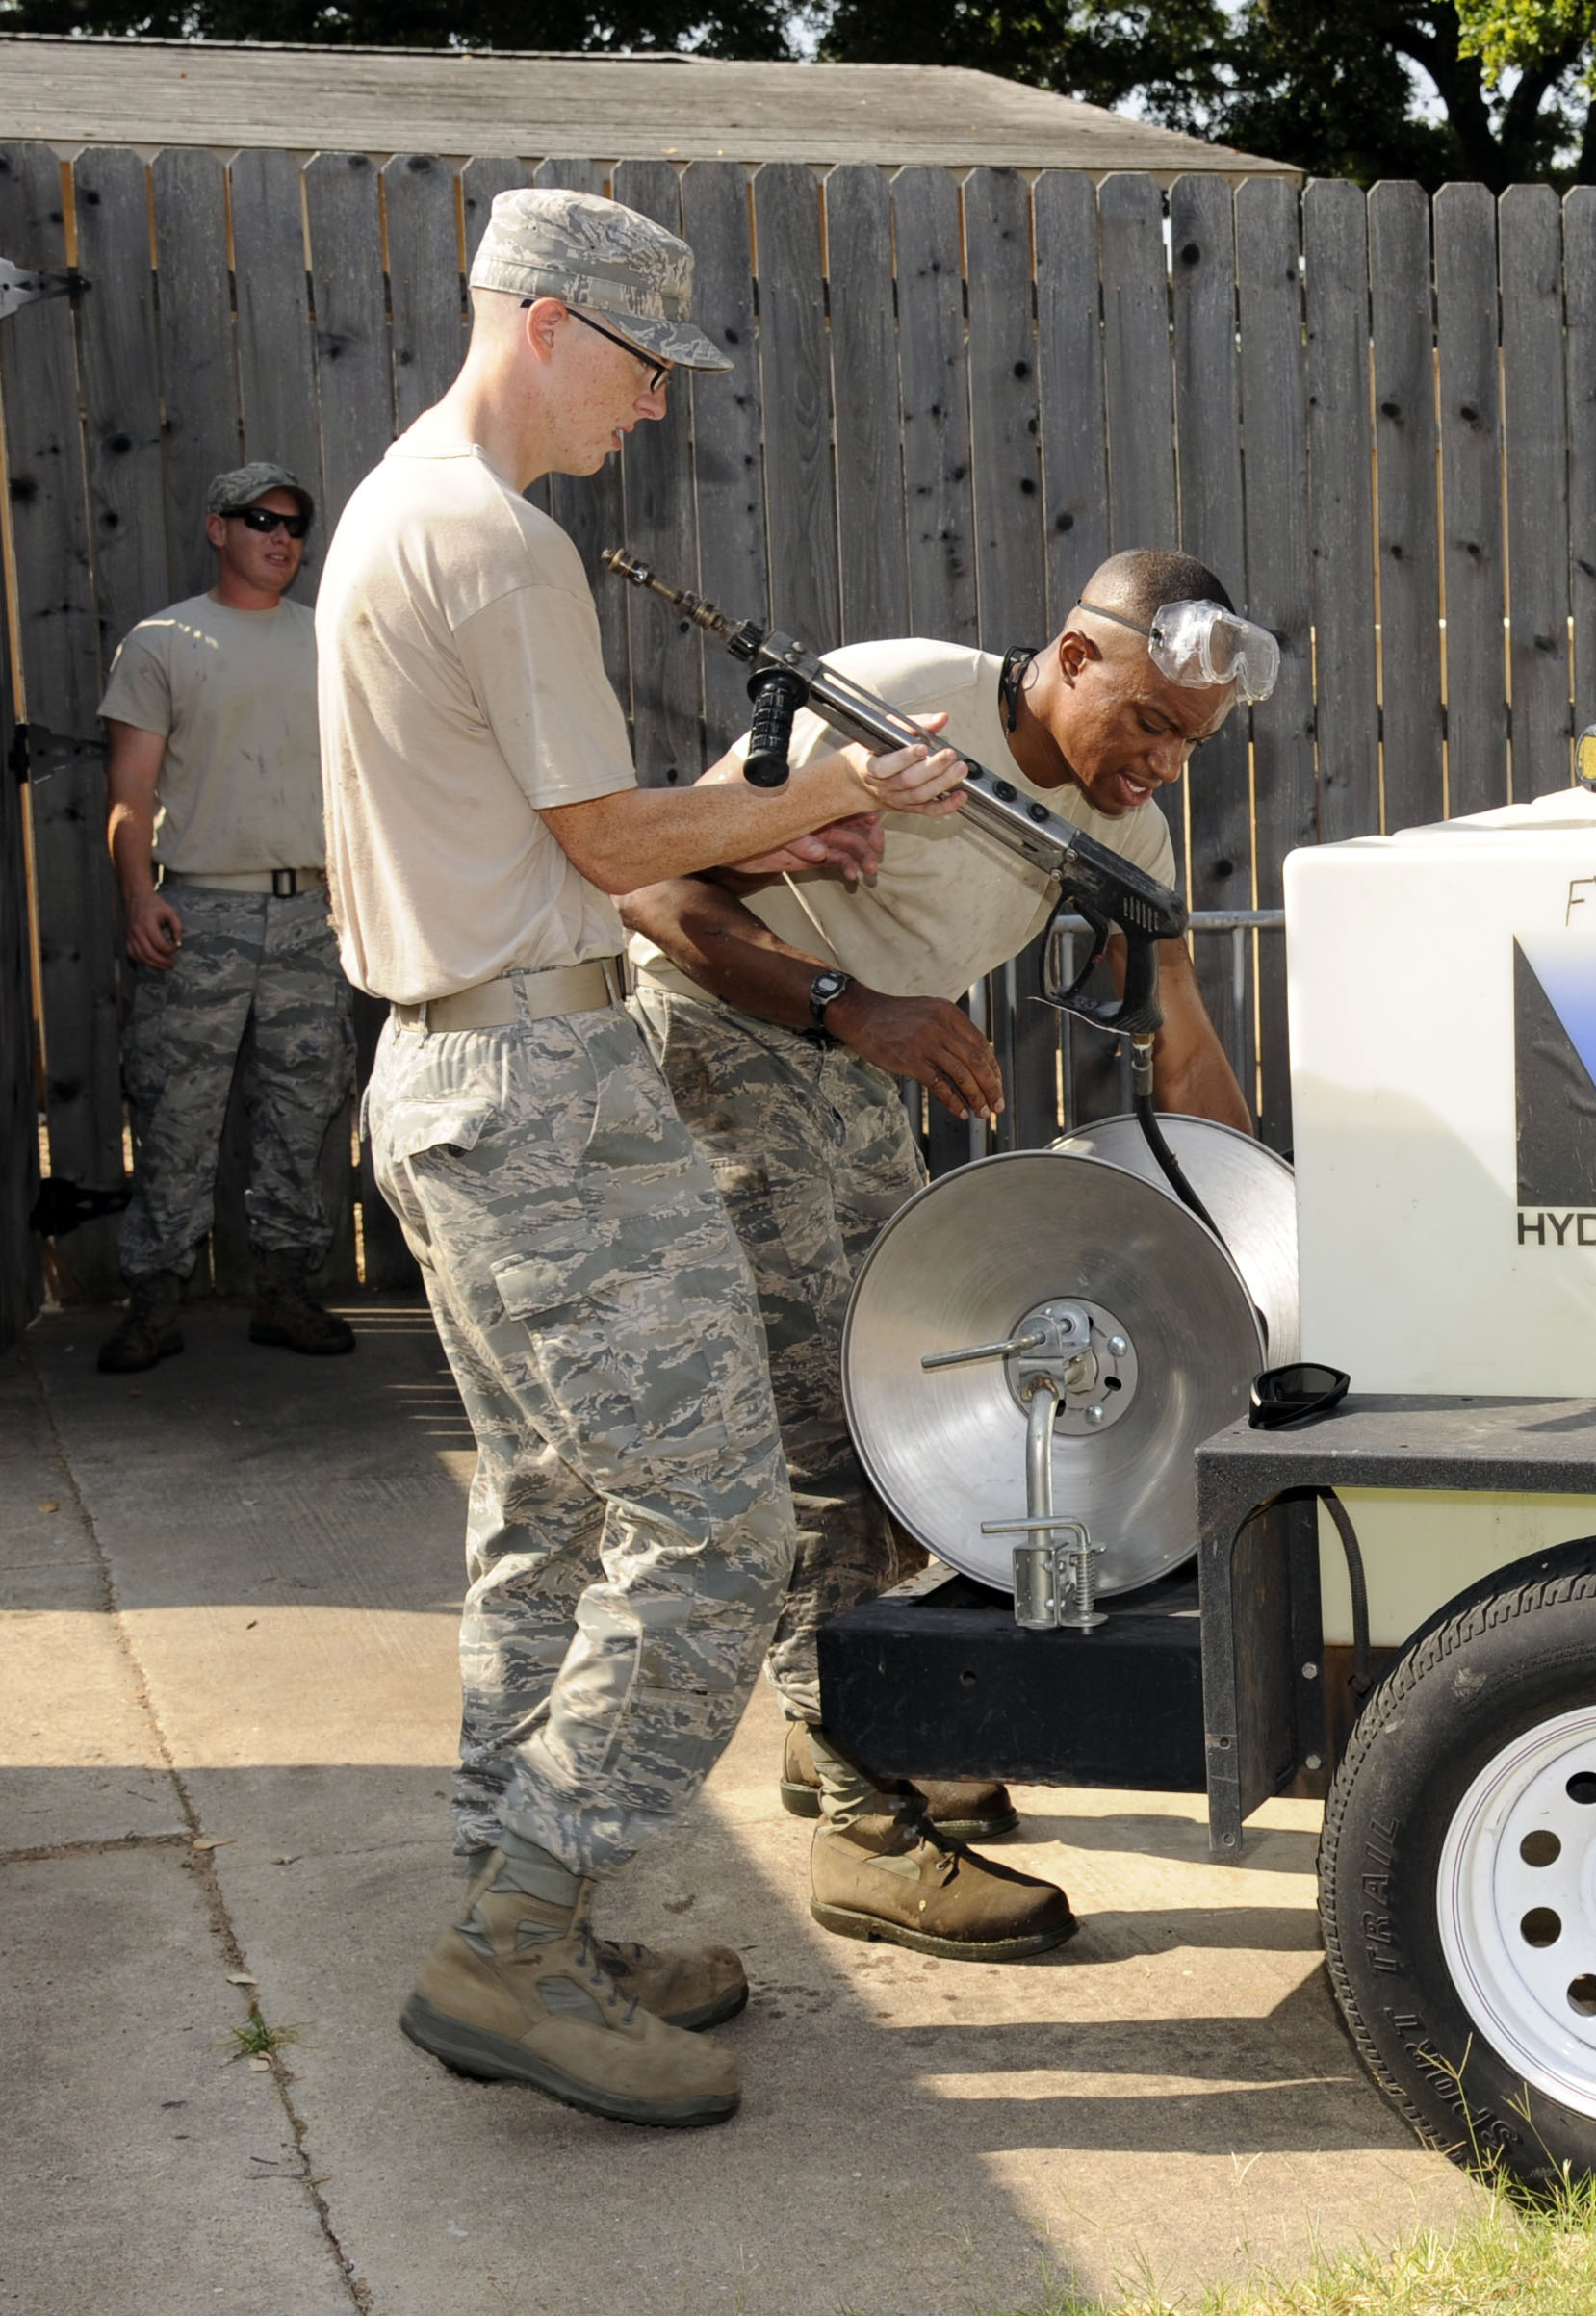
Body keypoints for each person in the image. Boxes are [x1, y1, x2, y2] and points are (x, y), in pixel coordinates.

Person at [317, 186, 965, 2130]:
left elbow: (546, 836)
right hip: (541, 1097)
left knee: (549, 1514)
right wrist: (845, 784)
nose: (659, 407)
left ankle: (528, 1920)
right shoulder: (495, 543)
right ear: (537, 320)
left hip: (449, 1076)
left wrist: (760, 831)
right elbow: (603, 851)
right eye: (644, 362)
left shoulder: (394, 510)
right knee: (715, 1526)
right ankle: (519, 1935)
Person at [617, 549, 1261, 1963]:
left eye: (1191, 742)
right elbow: (651, 889)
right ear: (1072, 660)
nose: (1160, 760)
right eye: (1146, 720)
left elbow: (1181, 1036)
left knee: (890, 1392)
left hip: (851, 1072)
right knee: (828, 1427)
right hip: (717, 1044)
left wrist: (1256, 1235)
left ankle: (829, 1719)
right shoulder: (901, 700)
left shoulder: (1125, 833)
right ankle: (865, 1828)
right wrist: (851, 1002)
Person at [94, 462, 356, 1374]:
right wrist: (140, 894)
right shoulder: (164, 641)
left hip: (309, 915)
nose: (279, 538)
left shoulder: (330, 642)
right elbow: (128, 788)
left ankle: (286, 1292)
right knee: (176, 1114)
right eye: (259, 520)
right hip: (196, 911)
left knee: (306, 1112)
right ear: (218, 529)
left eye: (293, 524)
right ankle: (154, 1301)